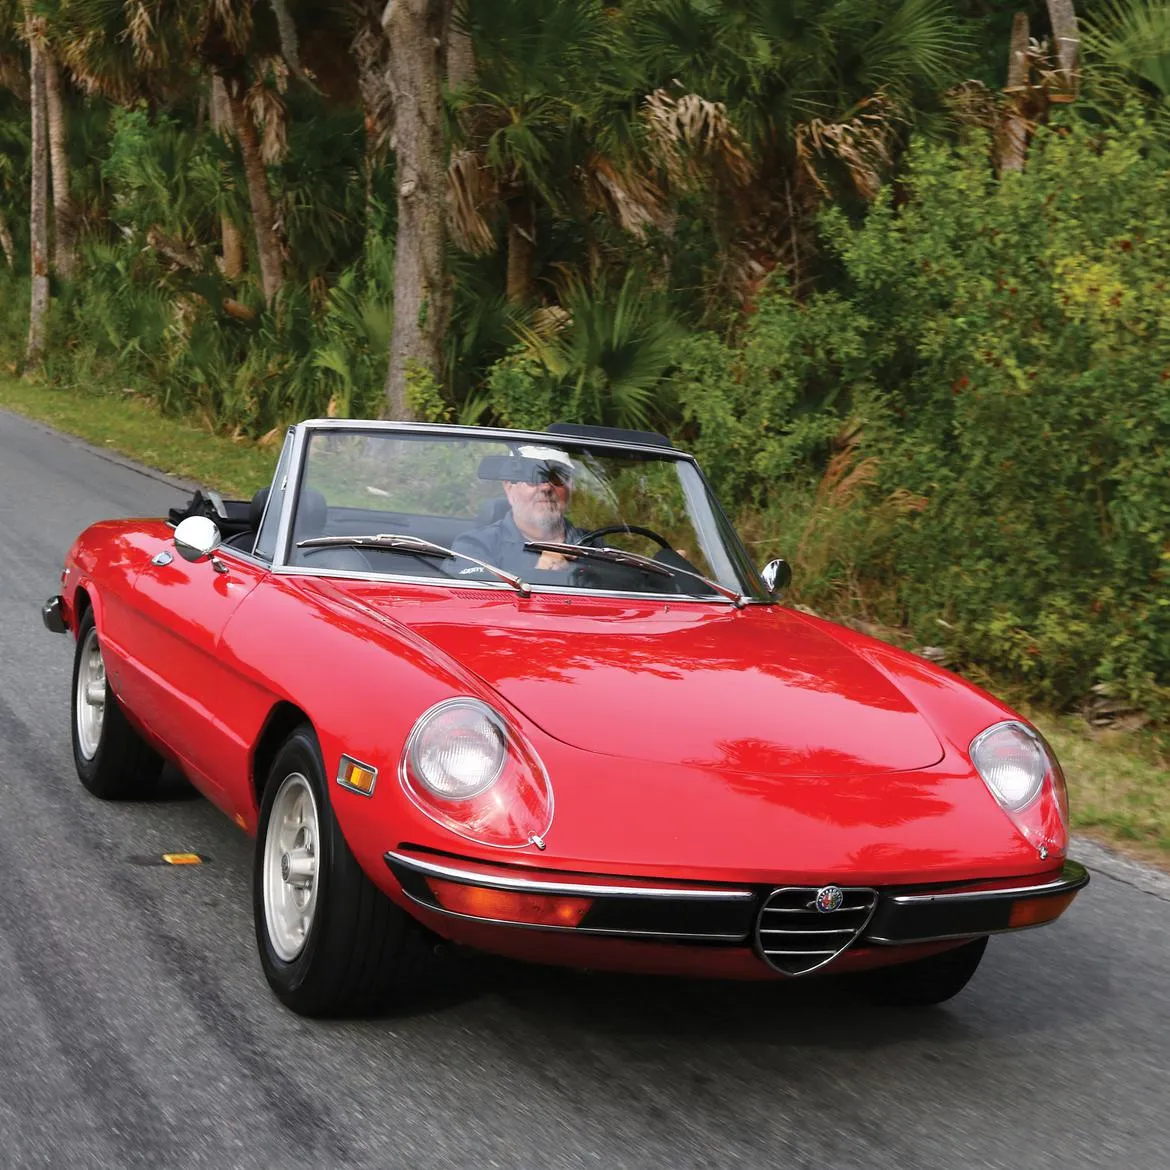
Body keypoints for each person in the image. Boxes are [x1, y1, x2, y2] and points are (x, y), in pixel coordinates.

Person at [451, 445, 586, 578]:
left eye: (556, 477)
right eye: (534, 477)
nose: (546, 487)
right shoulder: (475, 546)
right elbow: (470, 590)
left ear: (570, 488)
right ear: (509, 487)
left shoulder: (593, 546)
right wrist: (542, 573)